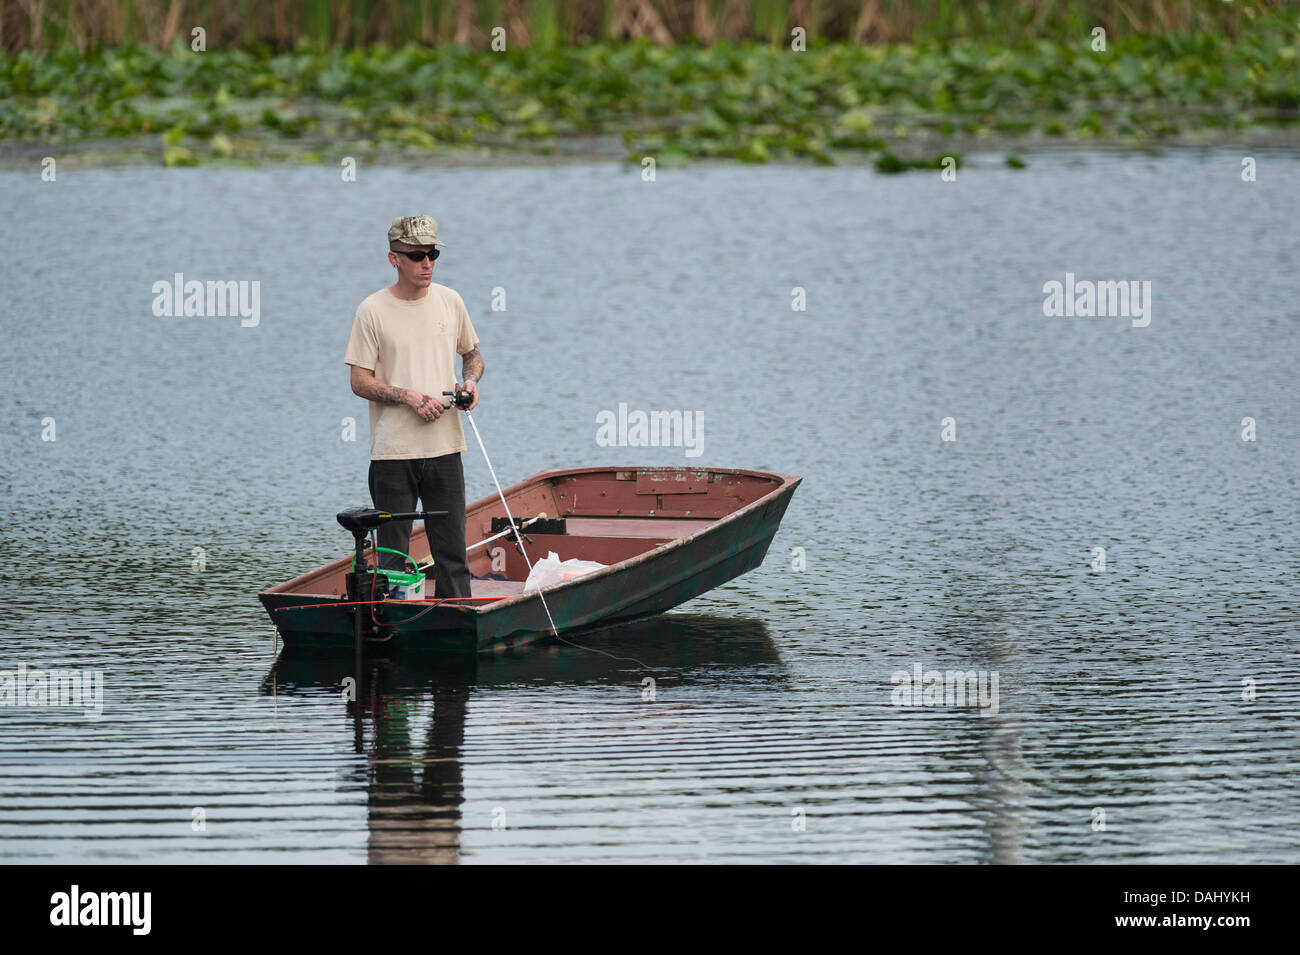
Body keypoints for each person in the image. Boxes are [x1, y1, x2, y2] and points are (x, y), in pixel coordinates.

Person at [344, 215, 485, 599]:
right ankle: (390, 628)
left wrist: (470, 382)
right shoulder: (371, 311)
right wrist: (407, 396)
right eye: (417, 255)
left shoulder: (450, 301)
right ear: (395, 259)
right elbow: (359, 381)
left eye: (433, 254)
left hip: (445, 450)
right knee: (392, 558)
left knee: (453, 555)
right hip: (393, 455)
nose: (427, 263)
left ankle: (456, 620)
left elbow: (473, 355)